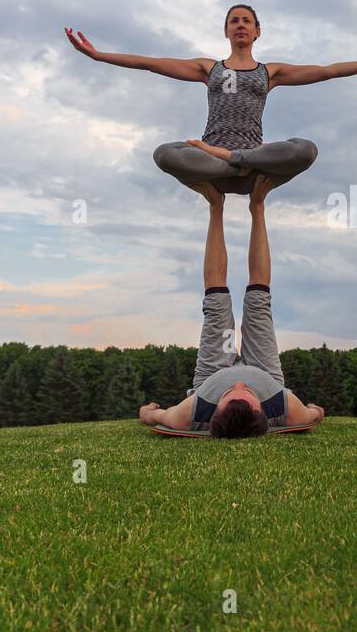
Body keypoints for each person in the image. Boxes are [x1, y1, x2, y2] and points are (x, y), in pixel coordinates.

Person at [63, 4, 357, 197]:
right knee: (165, 153)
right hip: (211, 165)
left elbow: (328, 71)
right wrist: (98, 56)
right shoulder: (208, 68)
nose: (240, 25)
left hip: (253, 166)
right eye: (234, 21)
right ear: (226, 31)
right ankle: (228, 159)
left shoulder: (271, 72)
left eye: (246, 21)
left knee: (305, 148)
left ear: (257, 31)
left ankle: (241, 158)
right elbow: (149, 63)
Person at [137, 174, 325, 438]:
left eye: (230, 392)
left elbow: (154, 417)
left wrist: (148, 411)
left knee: (216, 302)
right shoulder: (286, 407)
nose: (238, 382)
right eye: (246, 392)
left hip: (213, 374)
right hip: (264, 372)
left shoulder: (189, 413)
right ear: (263, 410)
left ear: (214, 410)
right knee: (258, 301)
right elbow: (314, 415)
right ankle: (257, 206)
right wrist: (316, 410)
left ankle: (215, 205)